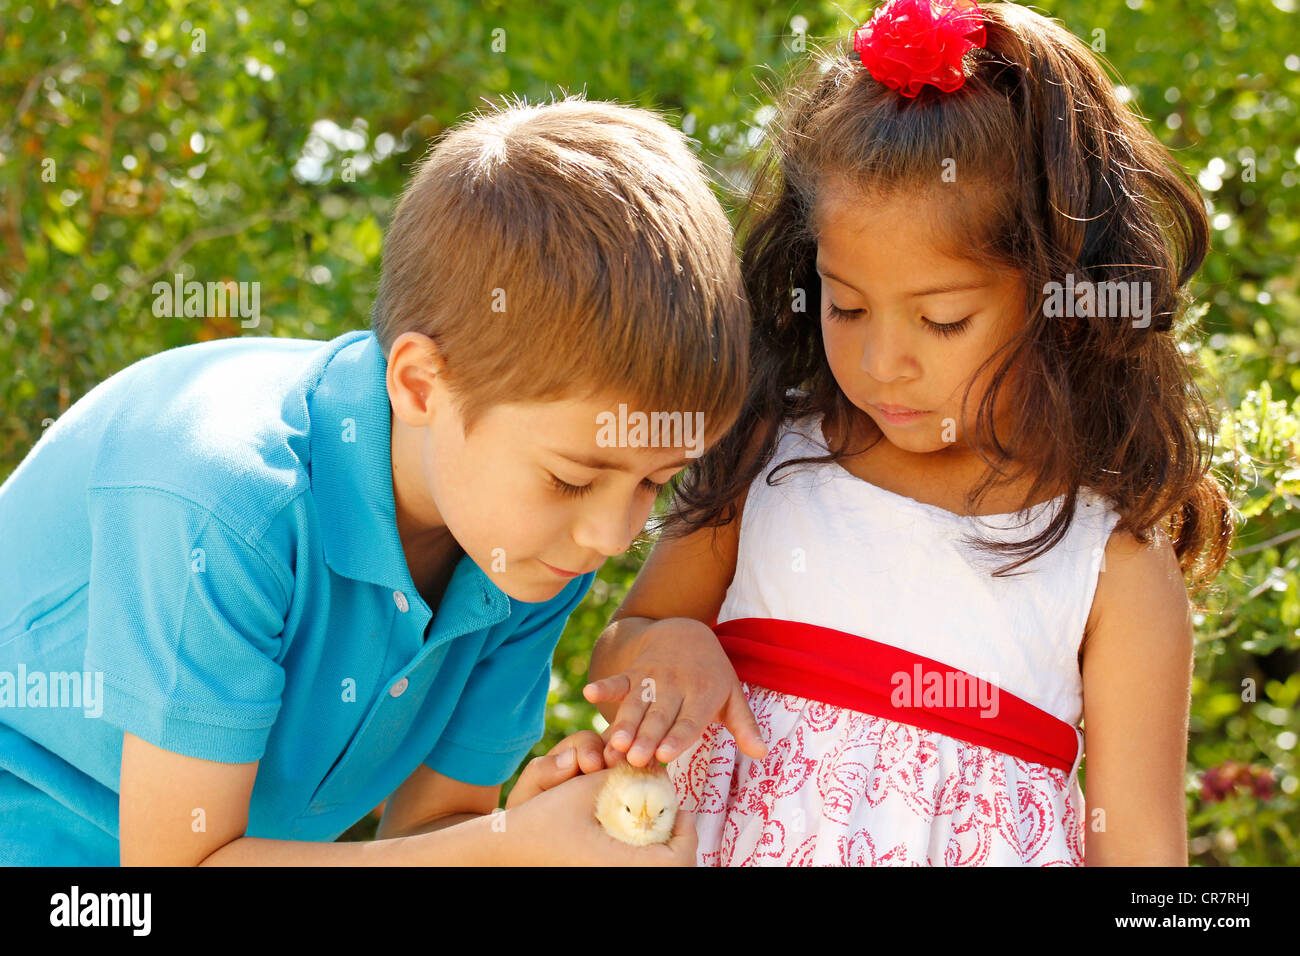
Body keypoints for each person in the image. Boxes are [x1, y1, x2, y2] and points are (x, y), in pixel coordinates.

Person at [0, 95, 749, 865]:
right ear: (422, 385)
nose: (610, 537)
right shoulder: (222, 507)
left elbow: (425, 836)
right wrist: (500, 850)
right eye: (569, 480)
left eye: (654, 483)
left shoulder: (530, 554)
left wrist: (520, 838)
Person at [585, 0, 1232, 865]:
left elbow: (1144, 856)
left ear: (1063, 300)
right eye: (845, 305)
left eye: (942, 321)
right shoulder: (771, 458)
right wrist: (671, 643)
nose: (883, 361)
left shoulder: (1109, 559)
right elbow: (626, 647)